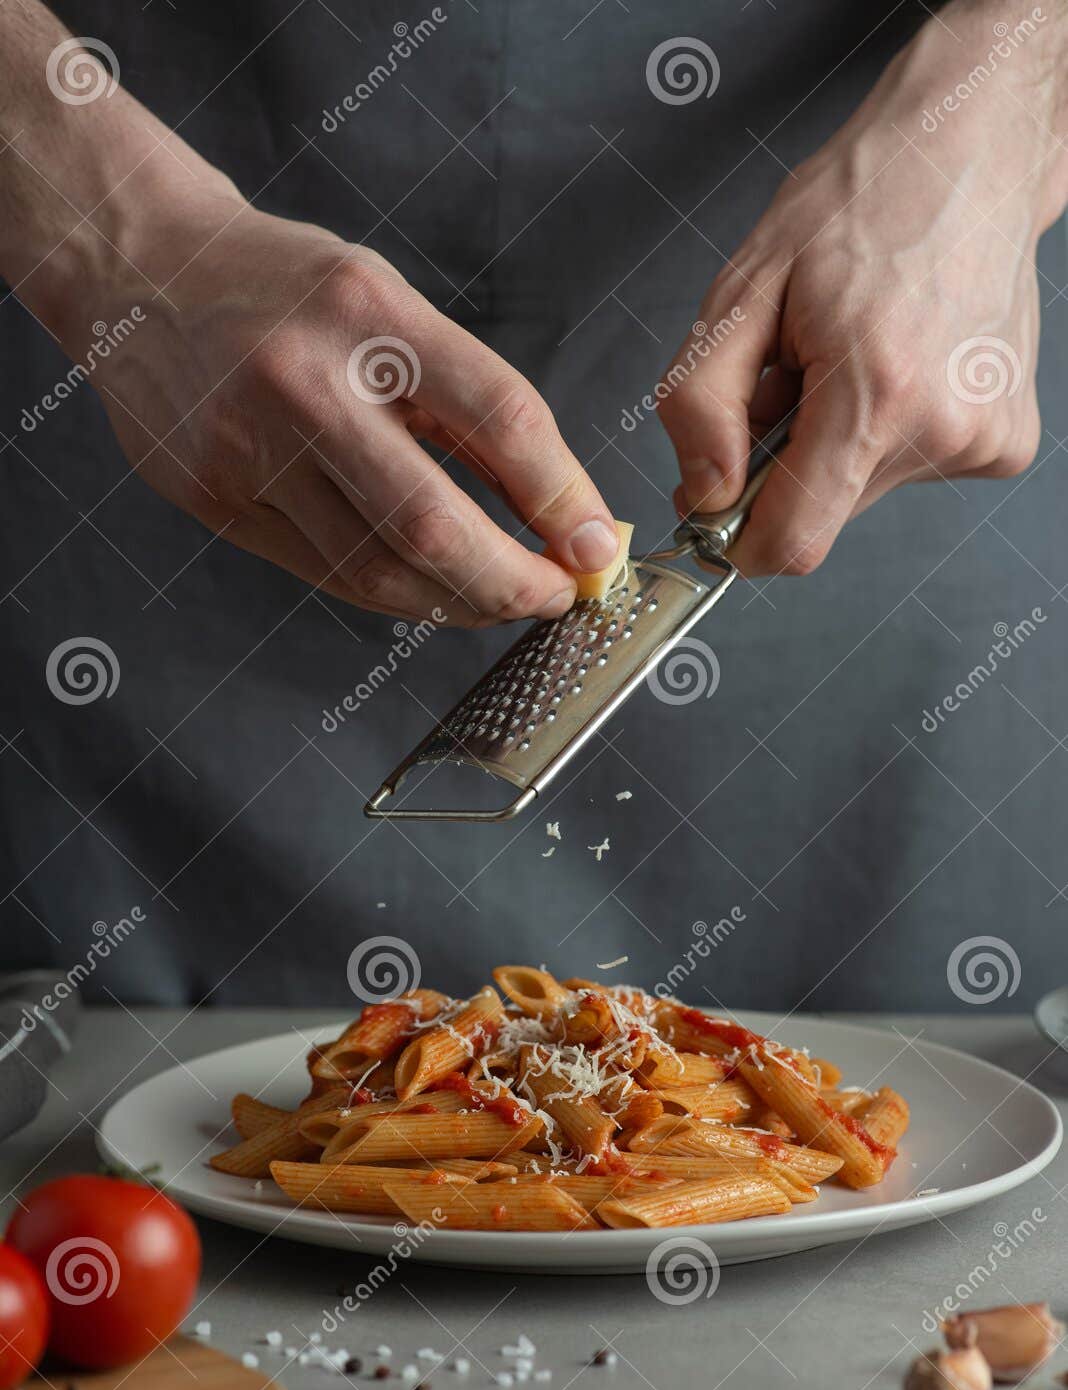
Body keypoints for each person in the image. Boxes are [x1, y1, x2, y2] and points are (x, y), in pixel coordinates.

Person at [1, 1, 1064, 1011]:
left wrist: (1008, 87)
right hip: (149, 433)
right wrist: (108, 229)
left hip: (890, 369)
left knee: (921, 1133)